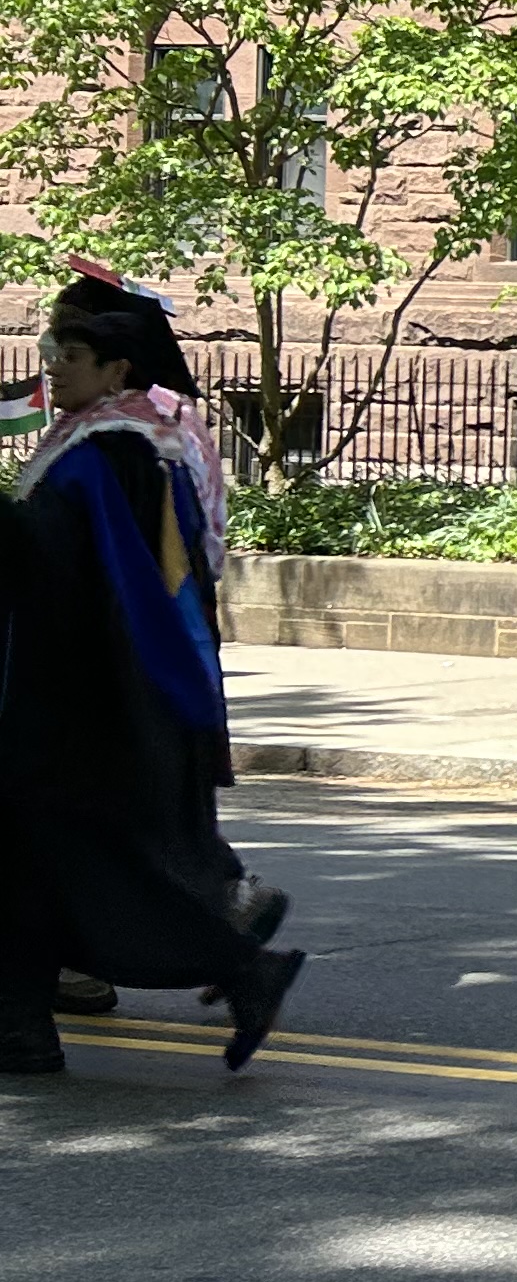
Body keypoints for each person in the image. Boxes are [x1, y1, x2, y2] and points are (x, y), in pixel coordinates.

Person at [0, 275, 302, 1078]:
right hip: (78, 690)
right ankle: (23, 1026)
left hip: (83, 696)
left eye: (70, 353)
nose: (53, 365)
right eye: (53, 349)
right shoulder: (117, 438)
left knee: (68, 859)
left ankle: (236, 959)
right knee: (45, 865)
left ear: (117, 368)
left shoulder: (116, 452)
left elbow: (65, 568)